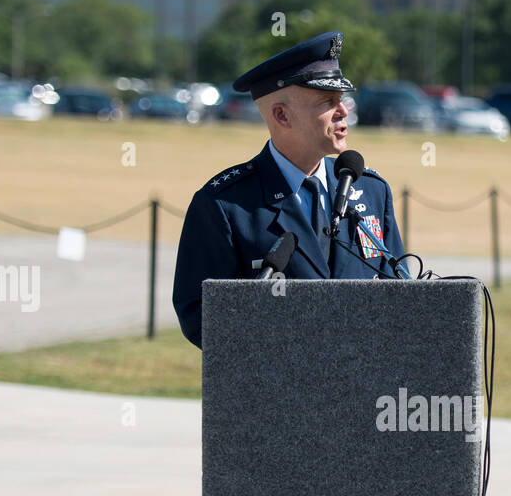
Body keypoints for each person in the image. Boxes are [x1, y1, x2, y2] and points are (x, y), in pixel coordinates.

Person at [172, 30, 407, 348]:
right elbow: (200, 318)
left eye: (342, 100)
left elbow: (402, 295)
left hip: (364, 393)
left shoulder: (370, 190)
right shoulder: (225, 205)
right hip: (275, 392)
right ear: (282, 115)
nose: (343, 112)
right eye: (327, 102)